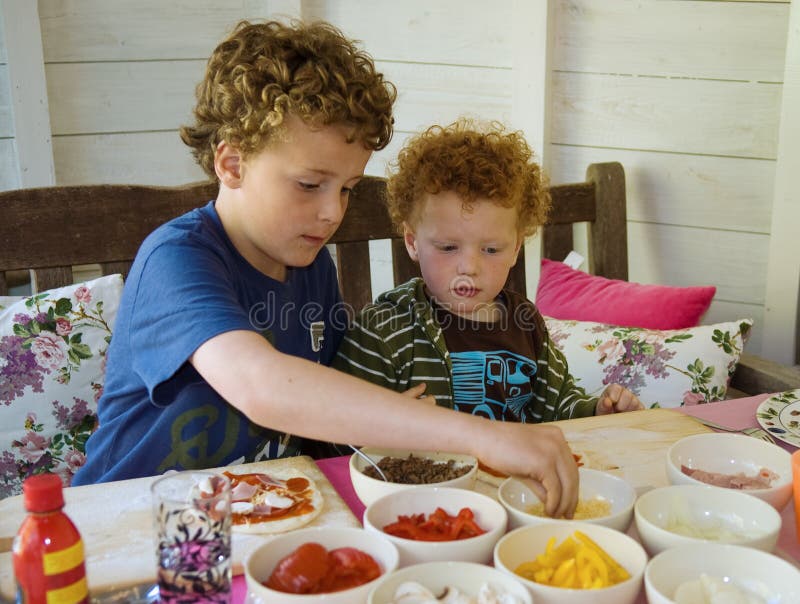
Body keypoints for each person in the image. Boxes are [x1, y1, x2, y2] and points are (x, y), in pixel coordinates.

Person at [73, 20, 579, 518]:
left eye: (347, 189)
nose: (332, 213)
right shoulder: (177, 260)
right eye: (310, 185)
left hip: (247, 521)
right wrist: (485, 436)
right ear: (231, 164)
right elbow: (264, 386)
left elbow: (335, 397)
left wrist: (394, 416)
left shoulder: (310, 265)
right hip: (121, 526)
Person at [333, 119, 643, 425]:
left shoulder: (525, 324)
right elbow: (331, 436)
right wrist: (380, 424)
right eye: (448, 247)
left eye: (491, 250)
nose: (470, 267)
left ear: (516, 249)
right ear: (413, 242)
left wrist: (597, 412)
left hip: (511, 475)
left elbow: (558, 407)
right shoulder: (385, 330)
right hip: (423, 473)